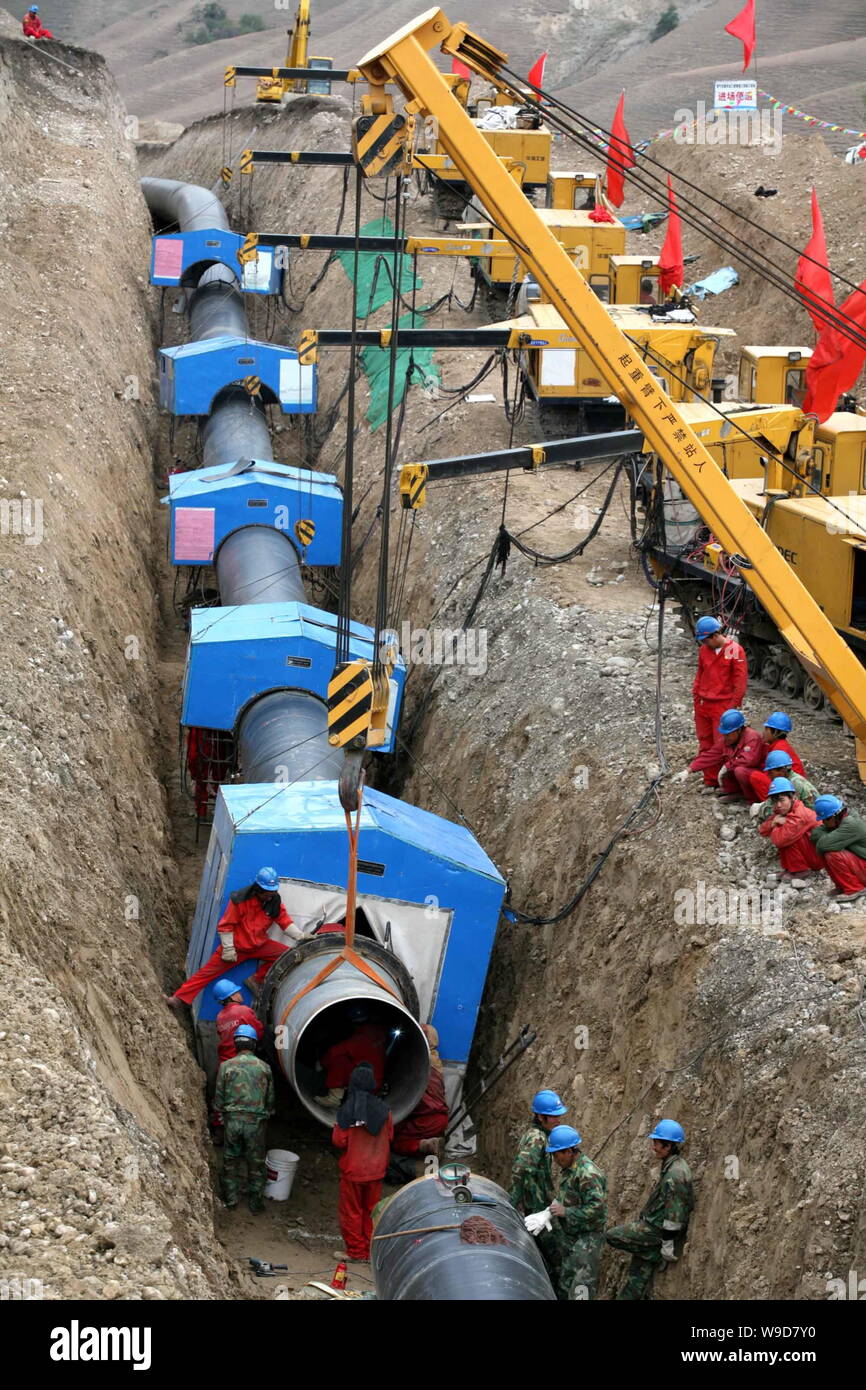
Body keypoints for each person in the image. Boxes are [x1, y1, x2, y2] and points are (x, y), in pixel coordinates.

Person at [166, 867, 304, 1011]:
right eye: (267, 893)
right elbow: (226, 925)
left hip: (259, 945)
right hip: (237, 947)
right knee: (206, 973)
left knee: (287, 956)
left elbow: (284, 921)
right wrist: (228, 948)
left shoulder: (274, 901)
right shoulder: (240, 899)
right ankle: (178, 998)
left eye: (273, 892)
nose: (270, 896)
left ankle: (257, 980)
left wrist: (301, 936)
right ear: (258, 888)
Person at [606, 1118, 694, 1300]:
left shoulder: (675, 1174)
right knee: (635, 1283)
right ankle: (649, 1254)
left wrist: (666, 1244)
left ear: (668, 1146)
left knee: (612, 1236)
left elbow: (674, 1214)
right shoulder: (672, 1166)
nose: (653, 1147)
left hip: (656, 1230)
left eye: (656, 1143)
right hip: (655, 1228)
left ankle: (652, 1252)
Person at [331, 1062, 393, 1262]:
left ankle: (356, 1252)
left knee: (351, 1212)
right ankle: (370, 1251)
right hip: (377, 1171)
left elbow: (339, 1141)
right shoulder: (385, 1111)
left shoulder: (348, 1110)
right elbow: (390, 1136)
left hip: (354, 1171)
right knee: (371, 1211)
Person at [213, 1023, 274, 1212]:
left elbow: (219, 1097)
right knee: (255, 1163)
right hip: (255, 1122)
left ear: (236, 1044)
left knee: (230, 1161)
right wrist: (267, 1113)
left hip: (232, 1120)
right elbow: (270, 1099)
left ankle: (231, 1201)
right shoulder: (264, 1068)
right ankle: (255, 1205)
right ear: (254, 1044)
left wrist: (222, 1114)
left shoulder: (226, 1066)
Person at [509, 1088, 567, 1287]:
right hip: (535, 1205)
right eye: (553, 1117)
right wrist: (514, 1204)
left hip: (539, 1201)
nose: (558, 1120)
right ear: (541, 1117)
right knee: (557, 1254)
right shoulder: (537, 1138)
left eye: (558, 1116)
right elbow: (521, 1170)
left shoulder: (540, 1134)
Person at [546, 1124, 607, 1301]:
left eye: (556, 1154)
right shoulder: (570, 1170)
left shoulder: (587, 1174)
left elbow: (597, 1209)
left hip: (588, 1240)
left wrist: (567, 1212)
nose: (555, 1159)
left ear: (569, 1151)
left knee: (581, 1289)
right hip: (573, 1238)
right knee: (565, 1286)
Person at [691, 616, 747, 783]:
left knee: (721, 745)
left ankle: (724, 782)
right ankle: (710, 780)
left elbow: (740, 681)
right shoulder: (704, 650)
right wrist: (696, 696)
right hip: (703, 704)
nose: (704, 644)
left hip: (722, 705)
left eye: (706, 640)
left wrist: (732, 707)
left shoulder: (734, 650)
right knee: (705, 741)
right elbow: (700, 674)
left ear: (715, 636)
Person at [391, 1025, 448, 1157]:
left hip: (427, 1119)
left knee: (394, 1140)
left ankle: (426, 1146)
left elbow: (411, 1097)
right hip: (438, 1117)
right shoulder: (435, 1060)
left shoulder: (422, 1064)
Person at [318, 1004, 388, 1108]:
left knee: (340, 1059)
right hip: (377, 1083)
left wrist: (321, 1064)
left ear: (352, 1022)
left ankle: (334, 1098)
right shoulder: (379, 1031)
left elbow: (333, 1052)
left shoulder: (357, 1040)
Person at [690, 709, 763, 801]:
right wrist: (689, 769)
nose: (725, 737)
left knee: (739, 770)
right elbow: (710, 755)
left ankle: (749, 797)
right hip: (744, 770)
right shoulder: (728, 740)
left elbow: (749, 760)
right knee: (723, 761)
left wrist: (727, 766)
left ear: (739, 730)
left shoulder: (752, 737)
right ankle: (734, 791)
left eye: (728, 734)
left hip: (757, 772)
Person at [757, 778, 823, 879]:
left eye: (782, 800)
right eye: (775, 801)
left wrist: (777, 825)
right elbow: (762, 830)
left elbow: (779, 841)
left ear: (792, 798)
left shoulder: (799, 814)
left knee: (788, 837)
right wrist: (774, 822)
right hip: (812, 852)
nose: (778, 805)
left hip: (819, 858)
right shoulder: (784, 810)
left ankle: (801, 870)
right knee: (784, 830)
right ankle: (790, 868)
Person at [811, 796, 866, 901]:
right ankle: (843, 886)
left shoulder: (850, 824)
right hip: (861, 864)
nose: (823, 823)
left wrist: (829, 839)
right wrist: (831, 838)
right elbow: (815, 834)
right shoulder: (840, 820)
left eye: (824, 820)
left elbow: (822, 845)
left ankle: (854, 889)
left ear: (832, 817)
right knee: (828, 848)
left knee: (832, 854)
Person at [748, 712, 805, 803]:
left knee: (755, 776)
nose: (763, 732)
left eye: (766, 729)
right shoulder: (779, 745)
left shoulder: (779, 749)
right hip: (792, 785)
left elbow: (772, 774)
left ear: (775, 732)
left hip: (791, 788)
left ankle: (771, 804)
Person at [750, 749, 817, 819]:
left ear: (783, 770)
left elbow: (787, 809)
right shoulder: (791, 779)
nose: (769, 776)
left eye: (771, 772)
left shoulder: (794, 783)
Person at [214, 978, 263, 1063]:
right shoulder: (243, 1011)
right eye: (237, 992)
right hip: (242, 1062)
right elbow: (259, 1033)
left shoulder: (219, 1017)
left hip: (224, 1063)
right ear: (232, 996)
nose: (240, 994)